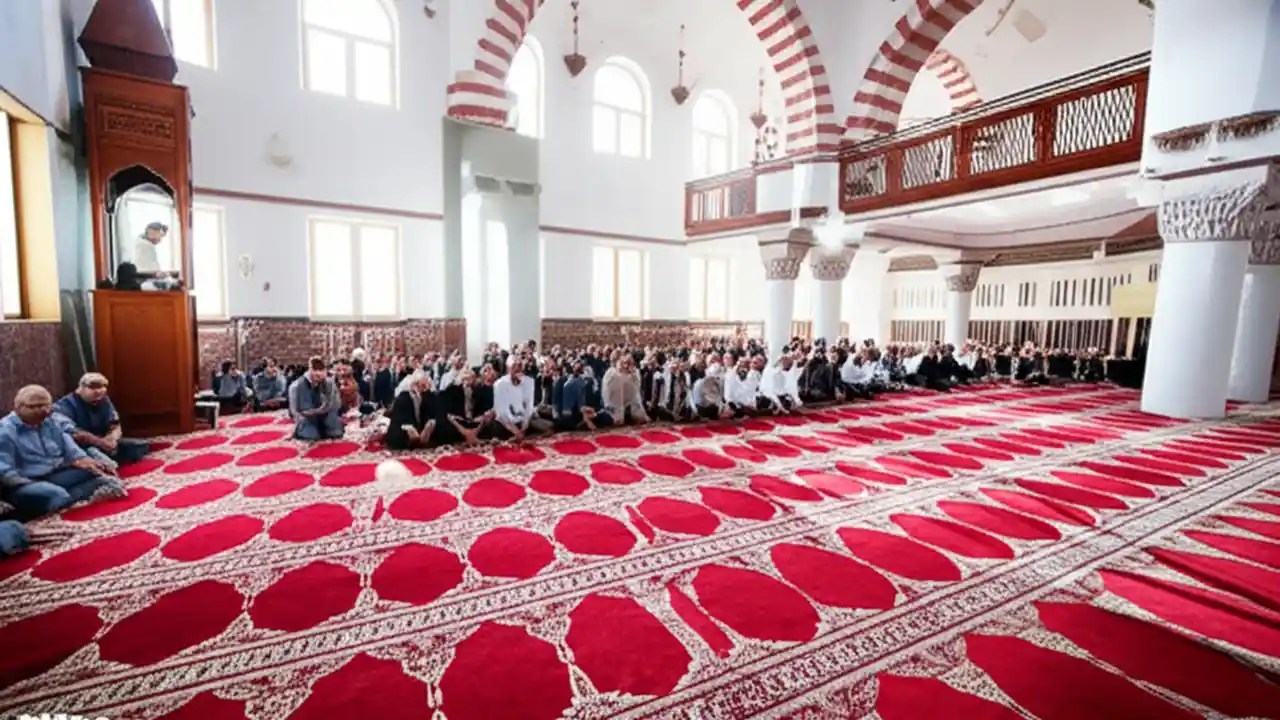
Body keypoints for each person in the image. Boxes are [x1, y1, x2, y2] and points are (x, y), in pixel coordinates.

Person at [0, 385, 124, 521]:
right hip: (26, 483)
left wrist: (85, 461)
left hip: (55, 473)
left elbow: (70, 448)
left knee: (95, 470)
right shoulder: (6, 431)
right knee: (57, 495)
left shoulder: (51, 422)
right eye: (34, 406)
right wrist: (30, 485)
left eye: (45, 405)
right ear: (18, 407)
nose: (42, 411)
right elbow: (6, 472)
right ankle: (79, 494)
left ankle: (84, 491)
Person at [53, 372, 150, 465]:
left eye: (100, 389)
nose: (98, 397)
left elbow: (115, 424)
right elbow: (75, 434)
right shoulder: (65, 405)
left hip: (104, 441)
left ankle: (106, 459)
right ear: (80, 388)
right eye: (93, 388)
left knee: (140, 446)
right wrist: (101, 443)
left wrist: (113, 439)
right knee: (89, 454)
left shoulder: (103, 400)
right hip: (81, 446)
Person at [492, 361, 553, 442]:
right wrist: (516, 432)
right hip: (506, 424)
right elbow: (501, 414)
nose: (517, 369)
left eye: (519, 367)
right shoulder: (501, 385)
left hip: (521, 420)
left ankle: (524, 436)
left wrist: (524, 426)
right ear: (508, 369)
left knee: (550, 426)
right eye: (514, 367)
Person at [288, 357, 344, 441]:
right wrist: (301, 420)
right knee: (311, 436)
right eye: (315, 369)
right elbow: (294, 411)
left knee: (336, 432)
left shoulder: (329, 383)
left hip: (326, 415)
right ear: (309, 369)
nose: (318, 373)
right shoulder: (296, 386)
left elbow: (335, 405)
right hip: (307, 419)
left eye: (321, 369)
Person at [438, 369, 496, 446]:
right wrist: (464, 431)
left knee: (491, 423)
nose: (468, 382)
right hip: (459, 423)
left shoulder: (481, 391)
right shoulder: (452, 390)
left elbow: (485, 413)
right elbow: (448, 414)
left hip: (476, 423)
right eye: (465, 379)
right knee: (445, 425)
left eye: (471, 379)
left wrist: (476, 431)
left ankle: (473, 437)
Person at [386, 372, 438, 450]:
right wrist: (410, 429)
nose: (423, 389)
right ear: (414, 385)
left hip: (418, 429)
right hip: (402, 430)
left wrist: (429, 425)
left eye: (425, 387)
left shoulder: (426, 395)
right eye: (421, 386)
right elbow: (401, 420)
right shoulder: (403, 398)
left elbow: (431, 414)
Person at [602, 355, 650, 425]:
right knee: (617, 420)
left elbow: (636, 391)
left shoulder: (635, 372)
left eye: (629, 363)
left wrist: (632, 375)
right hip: (614, 402)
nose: (626, 366)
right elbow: (607, 390)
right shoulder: (611, 373)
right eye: (625, 363)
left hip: (630, 401)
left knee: (639, 417)